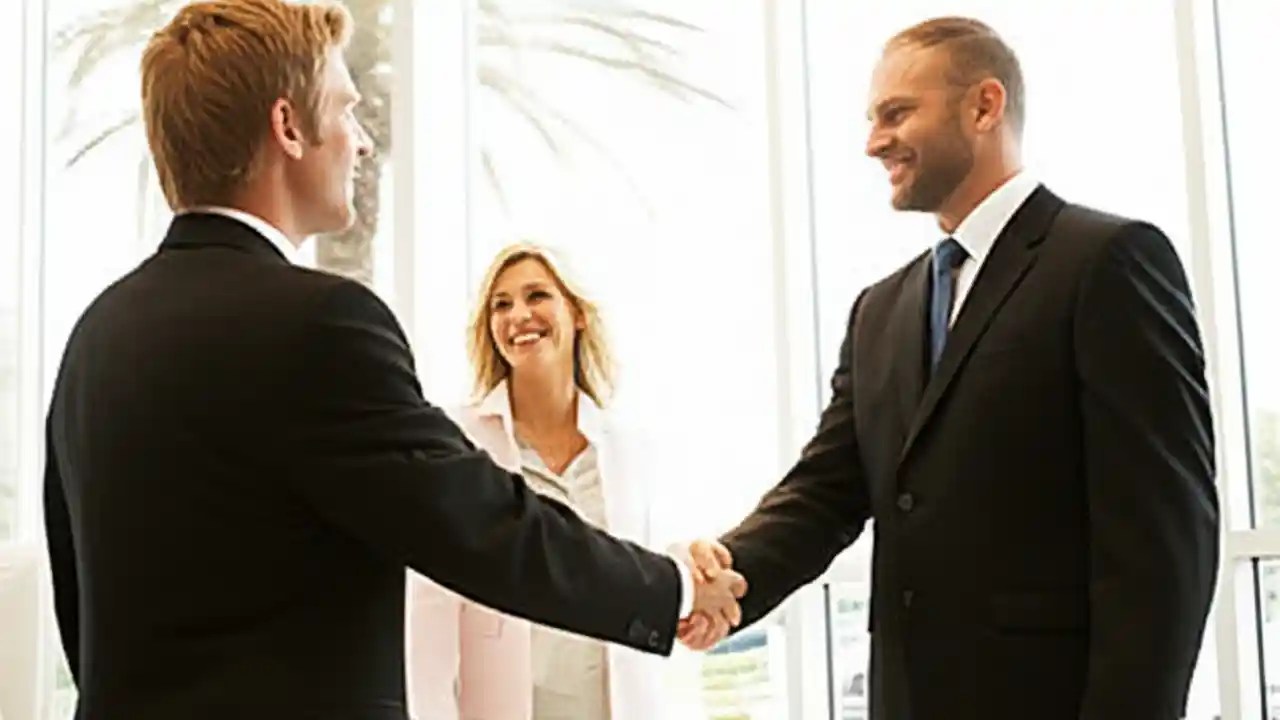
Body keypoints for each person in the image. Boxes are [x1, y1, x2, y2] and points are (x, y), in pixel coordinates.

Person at [41, 2, 745, 718]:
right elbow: (483, 526)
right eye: (347, 111)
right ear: (289, 127)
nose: (363, 142)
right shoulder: (318, 325)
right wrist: (675, 587)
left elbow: (82, 613)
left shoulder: (94, 340)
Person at [678, 16, 1218, 720]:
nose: (873, 142)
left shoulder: (1107, 263)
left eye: (897, 113)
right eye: (873, 119)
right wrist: (725, 575)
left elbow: (1165, 543)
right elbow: (826, 490)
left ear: (984, 106)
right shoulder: (880, 310)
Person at [407, 243, 685, 720]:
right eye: (502, 304)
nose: (519, 315)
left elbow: (647, 585)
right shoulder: (459, 442)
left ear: (576, 314)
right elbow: (428, 617)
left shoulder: (629, 450)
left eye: (537, 296)